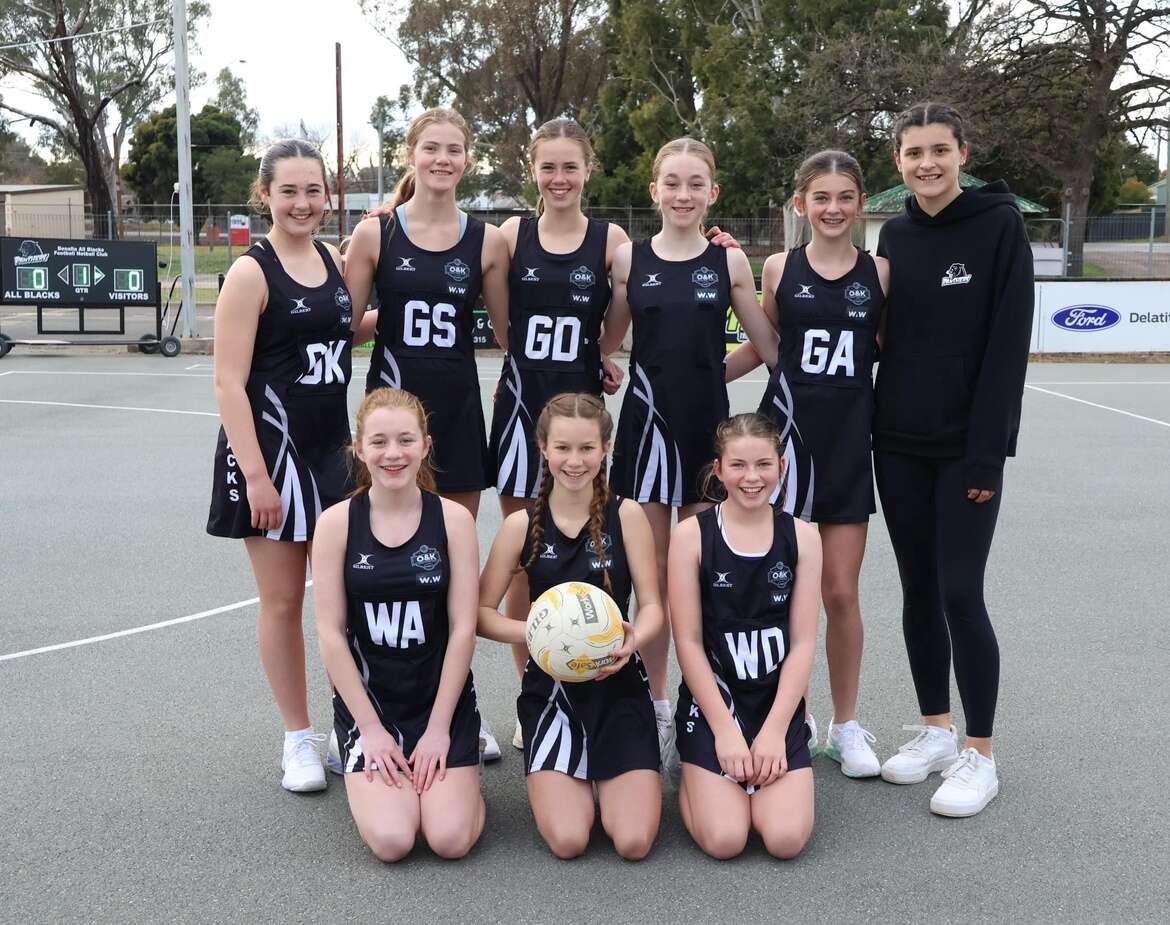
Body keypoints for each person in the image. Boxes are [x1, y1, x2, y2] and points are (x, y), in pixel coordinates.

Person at [873, 102, 1034, 817]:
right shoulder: (896, 235)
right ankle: (935, 729)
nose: (927, 163)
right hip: (897, 442)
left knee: (960, 591)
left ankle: (981, 752)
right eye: (914, 153)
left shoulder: (1000, 226)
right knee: (916, 591)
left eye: (940, 149)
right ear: (898, 162)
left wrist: (987, 457)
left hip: (966, 453)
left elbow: (1006, 350)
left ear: (963, 152)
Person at [602, 137, 779, 761]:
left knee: (704, 581)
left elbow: (766, 345)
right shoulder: (629, 259)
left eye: (694, 184)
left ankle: (712, 702)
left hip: (707, 436)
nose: (683, 194)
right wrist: (607, 365)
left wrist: (711, 374)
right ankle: (652, 705)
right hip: (645, 434)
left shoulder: (729, 265)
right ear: (654, 192)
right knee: (649, 581)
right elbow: (610, 340)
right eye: (671, 183)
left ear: (713, 193)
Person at [725, 150, 889, 778]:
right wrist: (697, 377)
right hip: (783, 449)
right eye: (821, 197)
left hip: (848, 446)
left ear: (860, 204)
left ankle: (846, 723)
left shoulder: (880, 273)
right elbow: (762, 349)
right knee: (775, 592)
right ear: (801, 205)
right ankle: (786, 714)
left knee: (840, 591)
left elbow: (892, 352)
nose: (833, 208)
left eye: (845, 197)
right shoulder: (779, 267)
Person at [207, 139, 354, 793]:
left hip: (332, 452)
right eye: (288, 190)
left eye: (312, 190)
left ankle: (350, 727)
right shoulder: (250, 272)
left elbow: (340, 332)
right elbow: (227, 383)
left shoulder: (333, 259)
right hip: (270, 457)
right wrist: (259, 475)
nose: (302, 203)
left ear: (328, 195)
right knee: (284, 599)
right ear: (264, 194)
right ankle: (298, 738)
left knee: (347, 597)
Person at [478, 393, 665, 860]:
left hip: (618, 687)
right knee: (568, 840)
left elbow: (655, 606)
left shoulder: (629, 516)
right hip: (552, 694)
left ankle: (612, 776)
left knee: (634, 842)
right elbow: (481, 614)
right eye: (563, 448)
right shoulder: (520, 526)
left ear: (606, 448)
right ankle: (574, 777)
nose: (575, 461)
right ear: (543, 447)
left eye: (586, 448)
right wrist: (535, 634)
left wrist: (633, 640)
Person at [312, 388, 485, 861]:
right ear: (359, 448)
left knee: (450, 840)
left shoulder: (452, 520)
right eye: (380, 441)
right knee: (394, 841)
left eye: (406, 440)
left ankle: (462, 786)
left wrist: (438, 729)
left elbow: (463, 629)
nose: (393, 454)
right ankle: (355, 754)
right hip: (372, 707)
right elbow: (330, 634)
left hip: (437, 703)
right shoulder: (335, 525)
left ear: (426, 446)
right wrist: (369, 728)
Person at [344, 107, 510, 521]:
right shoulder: (376, 233)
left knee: (454, 543)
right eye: (431, 148)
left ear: (467, 160)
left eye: (454, 150)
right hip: (391, 408)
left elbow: (509, 334)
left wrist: (594, 352)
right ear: (410, 154)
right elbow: (342, 328)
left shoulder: (486, 241)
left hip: (457, 408)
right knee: (383, 538)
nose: (442, 159)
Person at [669, 413, 820, 860]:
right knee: (725, 840)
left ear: (782, 467)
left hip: (775, 706)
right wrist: (726, 732)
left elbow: (803, 643)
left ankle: (758, 771)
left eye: (763, 465)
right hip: (715, 704)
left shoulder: (804, 538)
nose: (751, 478)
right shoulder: (690, 536)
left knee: (785, 840)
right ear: (718, 470)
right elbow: (689, 643)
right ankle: (692, 775)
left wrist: (774, 731)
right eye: (737, 465)